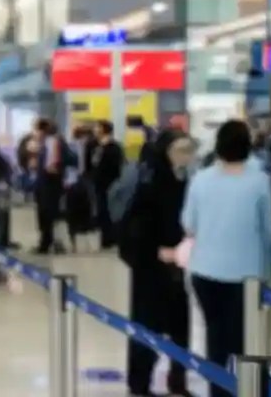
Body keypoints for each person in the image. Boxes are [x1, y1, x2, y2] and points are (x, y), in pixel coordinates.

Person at [182, 120, 271, 397]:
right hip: (245, 276)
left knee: (215, 339)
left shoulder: (201, 178)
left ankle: (217, 391)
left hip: (205, 272)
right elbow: (267, 231)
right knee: (242, 342)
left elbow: (188, 224)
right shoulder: (260, 181)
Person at [121, 131, 196, 397]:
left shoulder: (186, 182)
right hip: (150, 270)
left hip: (176, 268)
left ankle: (178, 380)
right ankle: (139, 382)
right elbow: (132, 229)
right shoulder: (150, 183)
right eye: (180, 150)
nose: (185, 156)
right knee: (146, 327)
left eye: (189, 150)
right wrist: (155, 251)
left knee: (180, 327)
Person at [33, 119, 71, 255]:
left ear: (43, 131)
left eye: (36, 130)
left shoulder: (53, 143)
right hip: (47, 185)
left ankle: (47, 243)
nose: (35, 133)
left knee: (48, 215)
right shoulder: (50, 143)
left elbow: (52, 167)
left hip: (49, 186)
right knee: (48, 215)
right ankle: (48, 242)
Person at [90, 120, 125, 250]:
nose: (94, 131)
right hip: (99, 184)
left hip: (109, 184)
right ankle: (106, 238)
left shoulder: (113, 148)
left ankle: (111, 238)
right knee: (102, 211)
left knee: (109, 211)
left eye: (97, 128)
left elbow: (116, 167)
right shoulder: (97, 147)